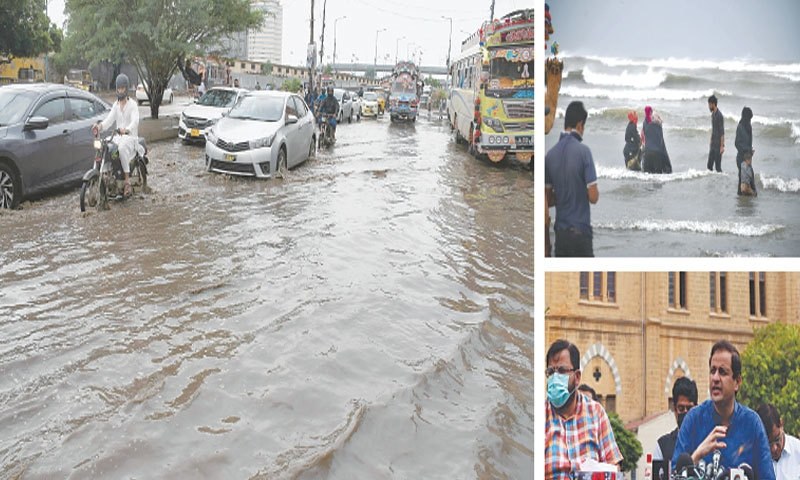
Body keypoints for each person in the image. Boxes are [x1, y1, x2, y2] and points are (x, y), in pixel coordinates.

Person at [672, 340, 775, 480]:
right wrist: (697, 455)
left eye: (722, 372)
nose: (715, 378)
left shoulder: (752, 424)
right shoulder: (693, 419)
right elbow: (673, 475)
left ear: (737, 382)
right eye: (712, 371)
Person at [545, 339, 623, 479]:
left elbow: (614, 466)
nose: (555, 378)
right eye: (551, 372)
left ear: (577, 377)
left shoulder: (596, 413)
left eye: (562, 371)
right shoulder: (540, 415)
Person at [545, 101, 599, 257]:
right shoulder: (584, 152)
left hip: (561, 235)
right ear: (580, 124)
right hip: (581, 233)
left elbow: (548, 199)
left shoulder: (550, 155)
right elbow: (593, 197)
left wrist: (563, 194)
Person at [92, 73, 144, 198]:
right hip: (118, 137)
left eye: (122, 88)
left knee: (120, 149)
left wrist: (126, 129)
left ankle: (126, 181)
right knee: (104, 146)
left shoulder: (133, 105)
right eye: (118, 88)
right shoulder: (115, 105)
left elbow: (135, 121)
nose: (120, 90)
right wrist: (99, 127)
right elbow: (109, 120)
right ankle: (106, 174)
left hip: (130, 138)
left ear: (126, 89)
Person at [653, 377, 698, 464]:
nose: (686, 413)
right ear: (675, 409)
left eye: (689, 408)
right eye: (681, 408)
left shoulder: (706, 442)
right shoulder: (662, 446)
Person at [756, 403, 800, 479]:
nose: (774, 448)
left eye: (777, 439)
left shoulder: (798, 451)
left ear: (781, 424)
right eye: (767, 443)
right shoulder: (753, 459)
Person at [734, 107, 754, 194]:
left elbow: (748, 143)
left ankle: (744, 200)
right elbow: (737, 143)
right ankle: (742, 203)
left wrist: (750, 151)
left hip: (748, 158)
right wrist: (747, 150)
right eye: (749, 118)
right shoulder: (740, 127)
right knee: (742, 181)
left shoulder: (748, 127)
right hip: (741, 158)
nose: (750, 120)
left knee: (748, 179)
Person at [708, 94, 725, 172]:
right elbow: (714, 129)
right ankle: (712, 183)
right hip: (713, 144)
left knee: (718, 167)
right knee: (709, 166)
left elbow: (722, 132)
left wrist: (722, 146)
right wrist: (711, 140)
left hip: (718, 145)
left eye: (709, 104)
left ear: (713, 104)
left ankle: (721, 182)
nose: (708, 106)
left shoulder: (719, 116)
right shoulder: (713, 115)